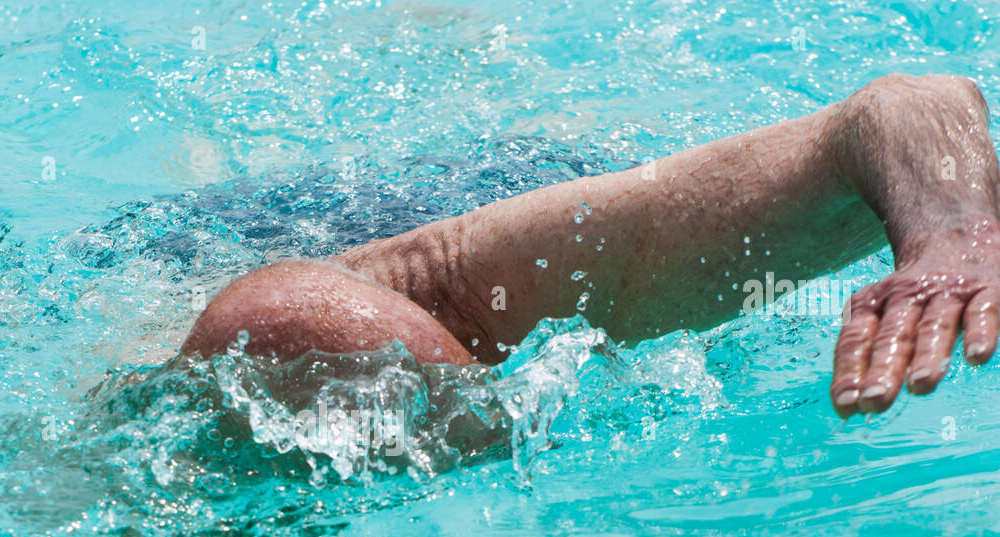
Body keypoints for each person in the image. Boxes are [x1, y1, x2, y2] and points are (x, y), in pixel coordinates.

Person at [180, 73, 1000, 418]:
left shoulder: (482, 288)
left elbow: (912, 102)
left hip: (519, 172)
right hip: (202, 238)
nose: (497, 426)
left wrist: (955, 234)